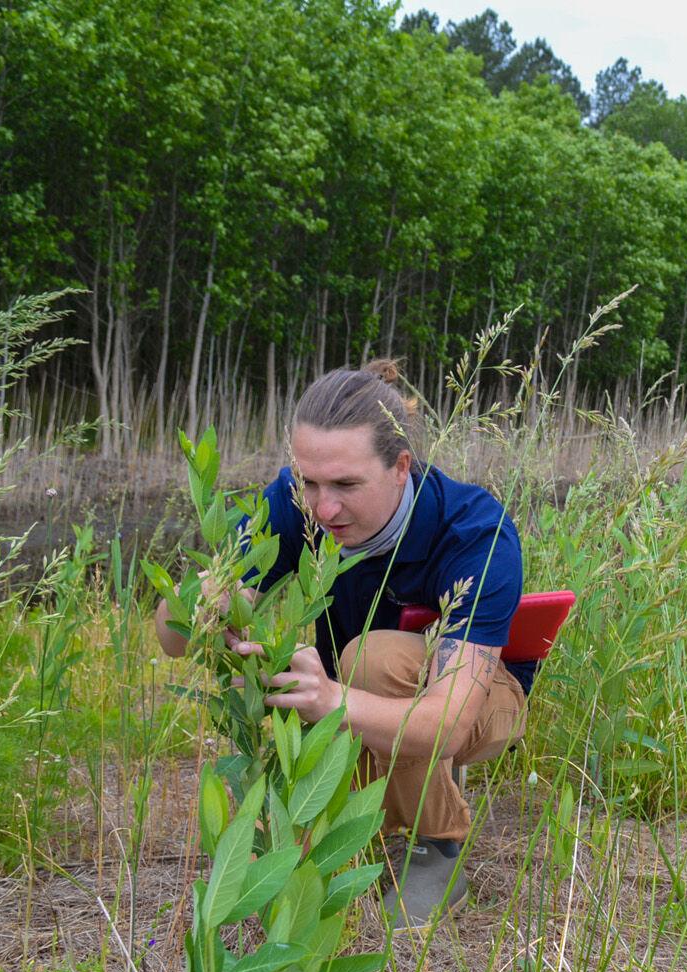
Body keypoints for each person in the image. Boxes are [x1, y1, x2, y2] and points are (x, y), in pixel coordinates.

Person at [153, 360, 528, 929]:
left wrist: (328, 701)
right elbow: (171, 641)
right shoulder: (289, 507)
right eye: (309, 481)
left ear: (401, 468)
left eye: (347, 485)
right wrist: (204, 605)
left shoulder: (472, 530)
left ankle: (436, 845)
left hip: (475, 703)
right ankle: (358, 825)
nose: (323, 509)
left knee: (372, 659)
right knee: (300, 852)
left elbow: (449, 723)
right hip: (349, 694)